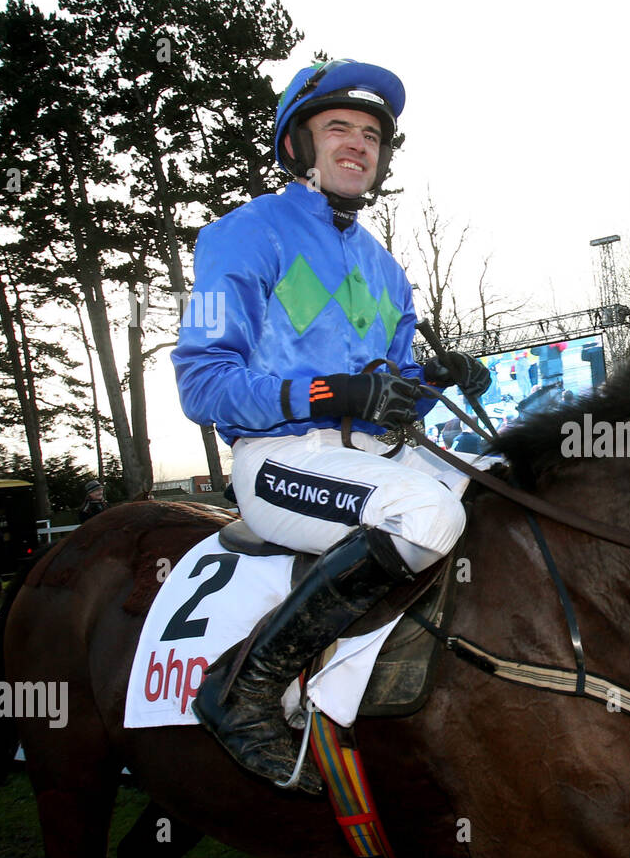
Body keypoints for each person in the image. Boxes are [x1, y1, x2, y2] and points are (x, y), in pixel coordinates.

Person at [171, 58, 490, 792]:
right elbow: (202, 382)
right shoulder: (240, 236)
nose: (358, 144)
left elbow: (391, 394)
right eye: (338, 127)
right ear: (296, 146)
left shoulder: (386, 269)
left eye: (372, 134)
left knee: (503, 486)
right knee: (428, 514)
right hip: (278, 459)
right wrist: (329, 392)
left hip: (376, 462)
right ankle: (244, 690)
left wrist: (436, 381)